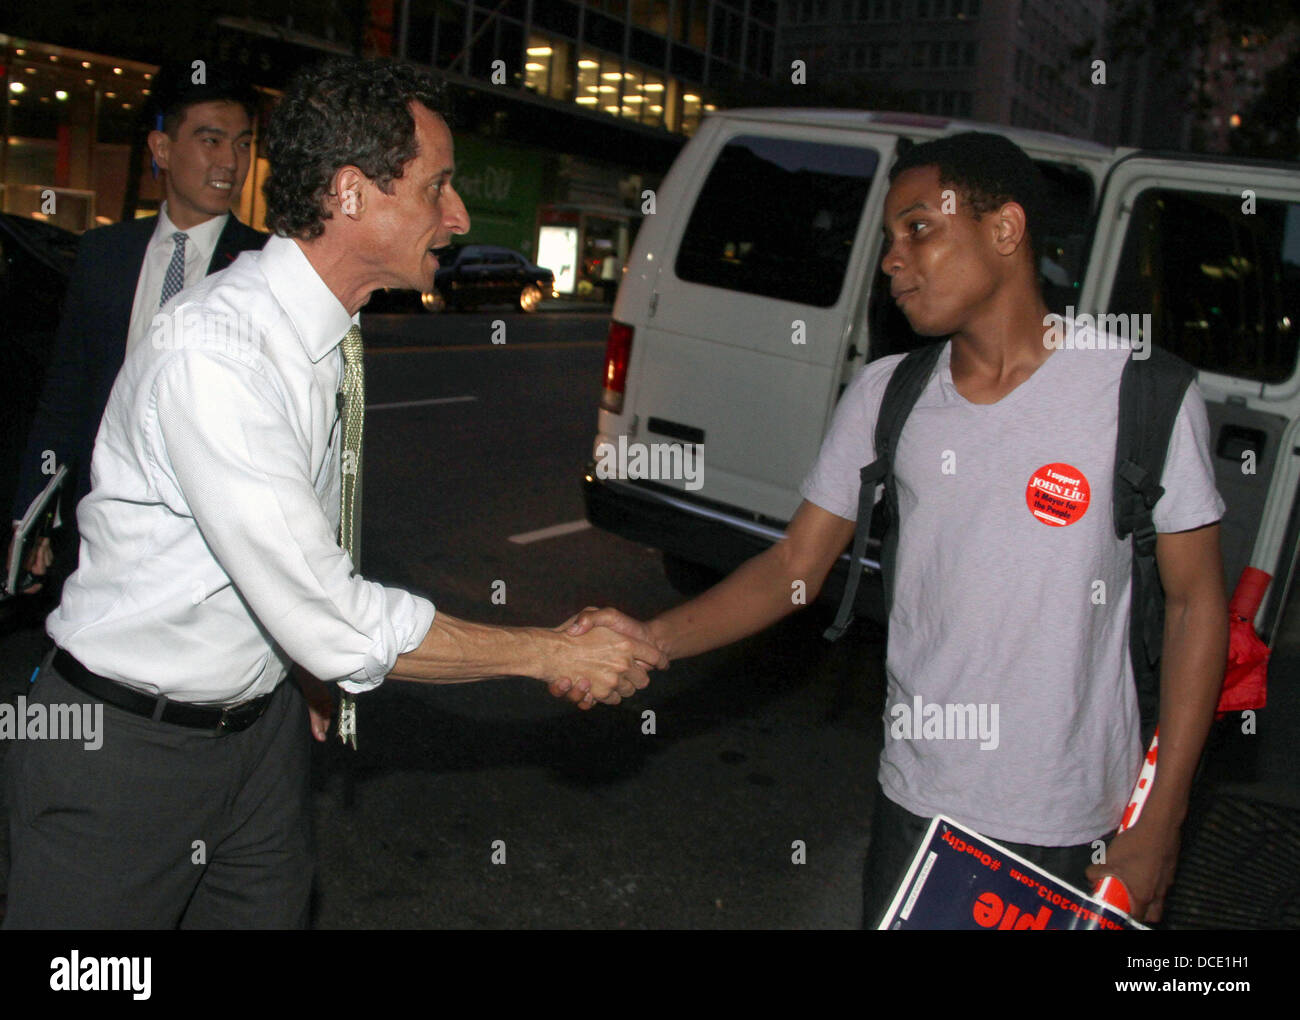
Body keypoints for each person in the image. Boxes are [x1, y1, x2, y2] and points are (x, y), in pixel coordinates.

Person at [3, 57, 663, 930]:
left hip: (262, 735)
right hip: (131, 753)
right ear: (351, 193)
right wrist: (550, 654)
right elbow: (332, 616)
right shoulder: (221, 353)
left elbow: (294, 560)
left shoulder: (321, 331)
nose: (459, 218)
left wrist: (304, 671)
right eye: (437, 187)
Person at [563, 132, 1229, 928]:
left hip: (1076, 821)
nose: (891, 259)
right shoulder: (888, 395)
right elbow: (793, 568)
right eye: (888, 237)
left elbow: (1196, 606)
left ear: (1005, 229)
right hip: (918, 806)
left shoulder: (1141, 393)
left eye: (918, 229)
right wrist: (650, 638)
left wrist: (1161, 822)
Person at [8, 61, 267, 598]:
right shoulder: (103, 254)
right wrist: (32, 517)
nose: (230, 161)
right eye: (211, 140)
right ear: (162, 149)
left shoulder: (263, 265)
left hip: (208, 544)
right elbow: (66, 395)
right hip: (100, 526)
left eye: (242, 144)